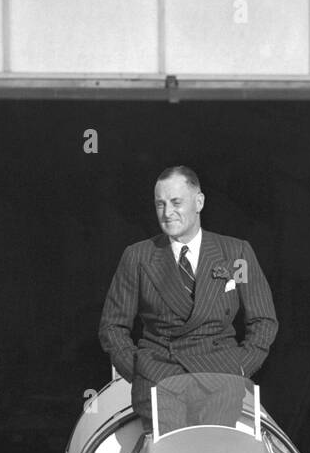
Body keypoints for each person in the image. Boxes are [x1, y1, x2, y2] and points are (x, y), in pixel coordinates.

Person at [99, 165, 278, 424]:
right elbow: (112, 326)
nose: (167, 213)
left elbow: (263, 319)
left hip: (220, 379)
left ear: (199, 202)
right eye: (160, 204)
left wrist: (240, 367)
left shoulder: (236, 253)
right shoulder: (137, 256)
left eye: (176, 202)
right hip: (159, 379)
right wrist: (139, 370)